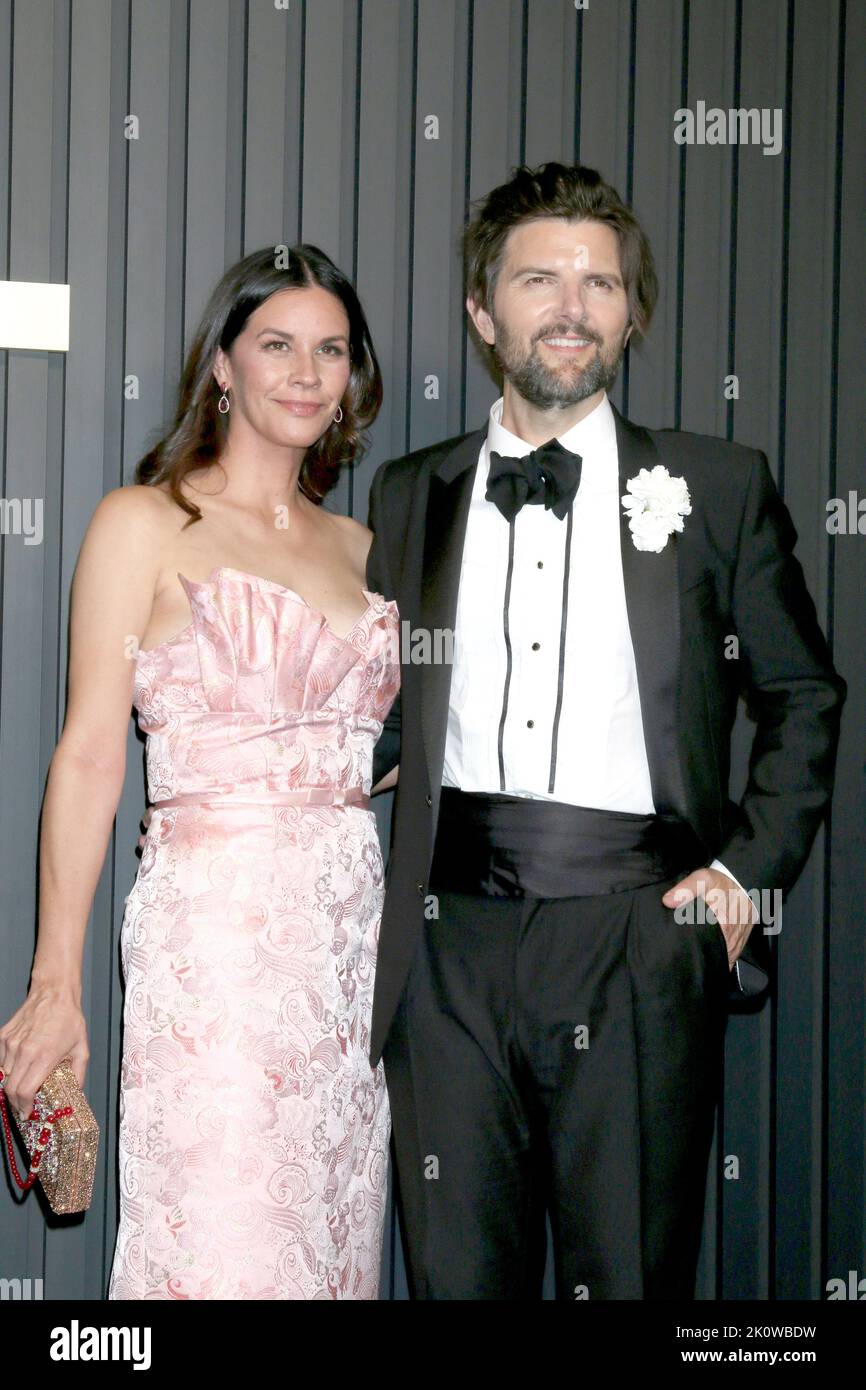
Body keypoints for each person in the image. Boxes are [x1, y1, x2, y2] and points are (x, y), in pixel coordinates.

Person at [364, 162, 846, 1299]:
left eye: (600, 282)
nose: (571, 304)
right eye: (538, 278)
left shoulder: (715, 485)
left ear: (631, 311)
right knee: (455, 1280)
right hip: (445, 951)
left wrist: (743, 872)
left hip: (637, 940)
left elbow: (802, 693)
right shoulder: (405, 493)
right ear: (483, 312)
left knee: (627, 1277)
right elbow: (376, 714)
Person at [0, 245, 401, 1300]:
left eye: (329, 349)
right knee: (223, 1241)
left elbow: (379, 746)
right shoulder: (144, 521)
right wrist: (55, 981)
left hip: (352, 961)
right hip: (217, 949)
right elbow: (89, 755)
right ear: (221, 366)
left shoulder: (366, 550)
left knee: (330, 1244)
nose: (306, 373)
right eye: (276, 345)